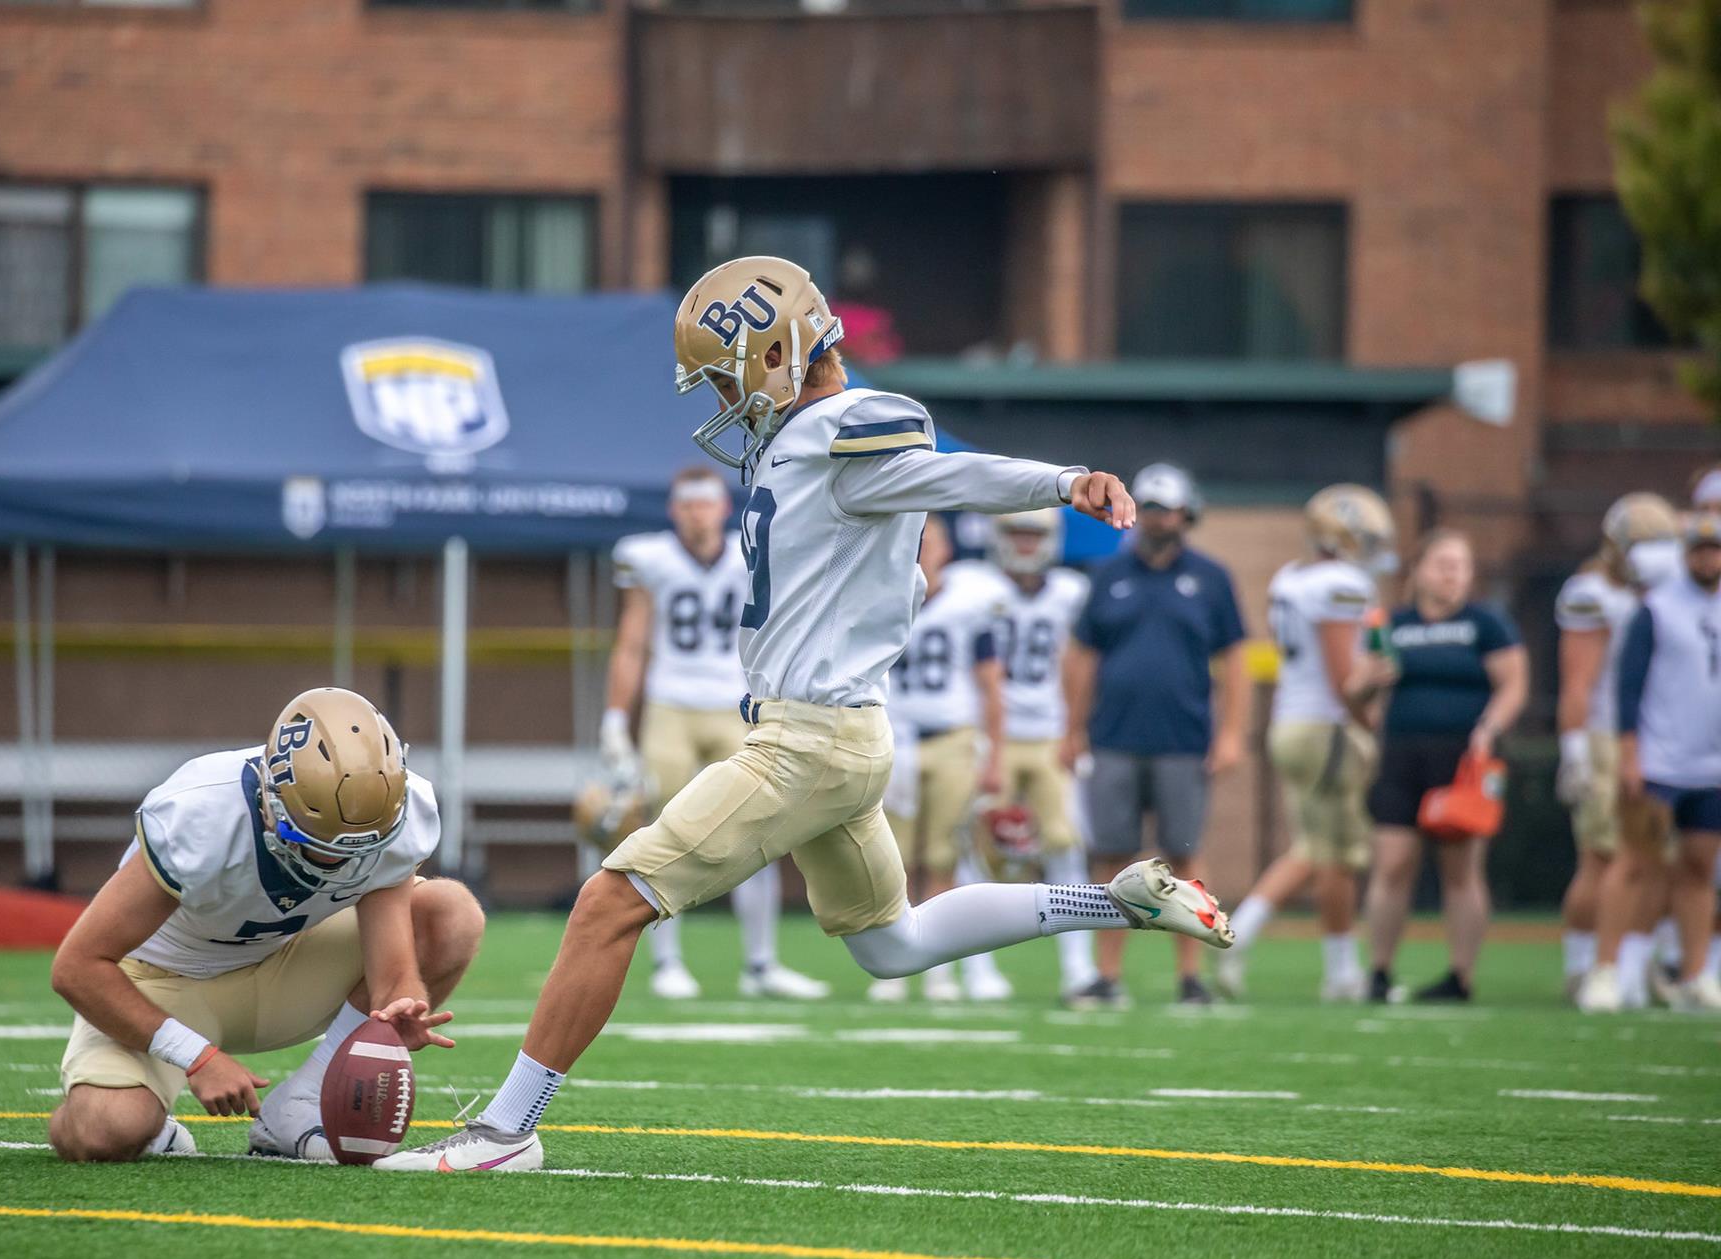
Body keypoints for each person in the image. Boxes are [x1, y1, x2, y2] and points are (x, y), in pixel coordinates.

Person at [385, 255, 1229, 1173]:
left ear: (780, 348)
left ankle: (508, 1131)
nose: (718, 395)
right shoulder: (807, 446)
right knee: (891, 943)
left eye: (724, 370)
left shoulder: (851, 422)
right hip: (836, 735)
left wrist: (1060, 482)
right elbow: (890, 567)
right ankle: (1115, 901)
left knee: (607, 901)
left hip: (809, 741)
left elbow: (949, 474)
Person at [46, 687, 485, 1162]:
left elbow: (392, 971)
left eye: (362, 849)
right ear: (272, 802)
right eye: (320, 844)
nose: (343, 865)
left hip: (285, 966)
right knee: (105, 1130)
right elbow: (76, 967)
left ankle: (302, 1102)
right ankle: (146, 1119)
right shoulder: (201, 816)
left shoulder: (397, 805)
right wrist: (195, 1055)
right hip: (159, 985)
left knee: (451, 914)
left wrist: (401, 1003)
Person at [601, 464, 828, 1001]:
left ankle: (761, 963)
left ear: (724, 508)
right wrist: (614, 718)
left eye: (705, 503)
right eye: (687, 504)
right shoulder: (648, 558)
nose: (697, 513)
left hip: (736, 705)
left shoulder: (749, 553)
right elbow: (632, 643)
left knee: (758, 828)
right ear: (674, 510)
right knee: (660, 830)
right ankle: (667, 962)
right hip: (670, 706)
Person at [1060, 463, 1248, 1008]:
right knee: (1111, 859)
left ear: (1188, 513)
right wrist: (1072, 731)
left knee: (1184, 858)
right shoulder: (1108, 574)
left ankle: (1191, 976)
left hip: (1183, 740)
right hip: (1114, 737)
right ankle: (1107, 975)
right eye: (1152, 507)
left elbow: (1233, 660)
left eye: (1169, 508)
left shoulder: (1212, 578)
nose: (1161, 518)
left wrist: (1231, 733)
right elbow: (1084, 658)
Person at [1218, 484, 1396, 1003]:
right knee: (1331, 853)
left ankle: (1270, 944)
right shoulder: (1341, 583)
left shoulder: (1291, 577)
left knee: (1317, 849)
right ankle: (1330, 968)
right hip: (1325, 726)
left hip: (1293, 721)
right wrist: (1368, 711)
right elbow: (1347, 679)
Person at [1354, 530, 1527, 1003]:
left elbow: (1512, 685)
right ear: (1419, 569)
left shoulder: (1485, 624)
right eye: (1442, 563)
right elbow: (1358, 694)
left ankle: (1460, 977)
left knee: (1461, 868)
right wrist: (1370, 682)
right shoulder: (1393, 622)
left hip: (1462, 759)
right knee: (1391, 862)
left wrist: (1489, 728)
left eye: (1460, 565)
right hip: (1402, 753)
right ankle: (1380, 972)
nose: (1451, 574)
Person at [1578, 512, 1721, 1013]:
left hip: (1711, 764)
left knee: (1700, 867)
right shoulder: (1658, 608)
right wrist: (1630, 753)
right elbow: (1628, 685)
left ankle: (1697, 972)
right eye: (1701, 549)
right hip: (1660, 759)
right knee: (1634, 863)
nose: (1709, 558)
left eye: (1716, 548)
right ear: (1686, 554)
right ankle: (1605, 970)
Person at [1553, 494, 1682, 1004]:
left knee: (1656, 860)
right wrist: (1575, 749)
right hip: (1608, 736)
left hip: (1662, 738)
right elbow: (1578, 683)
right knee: (1603, 858)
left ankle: (1633, 965)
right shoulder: (1591, 592)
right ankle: (1582, 967)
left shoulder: (1675, 592)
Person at [878, 516, 1008, 1003]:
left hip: (952, 737)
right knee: (892, 861)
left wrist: (993, 753)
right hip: (893, 739)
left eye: (928, 542)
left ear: (948, 550)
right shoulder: (882, 594)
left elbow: (992, 685)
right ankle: (895, 966)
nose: (921, 551)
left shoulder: (971, 603)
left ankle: (937, 967)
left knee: (944, 856)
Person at [981, 508, 1096, 1003]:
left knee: (1066, 845)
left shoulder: (1073, 592)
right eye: (1016, 533)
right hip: (993, 737)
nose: (1026, 543)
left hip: (1051, 734)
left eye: (1035, 534)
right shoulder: (975, 587)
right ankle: (977, 969)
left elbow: (1088, 665)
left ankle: (1078, 966)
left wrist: (1079, 731)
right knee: (981, 850)